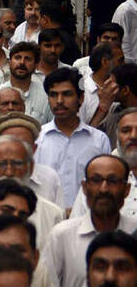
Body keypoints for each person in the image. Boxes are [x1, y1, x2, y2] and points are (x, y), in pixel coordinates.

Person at [40, 154, 137, 287]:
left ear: (126, 190)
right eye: (96, 180)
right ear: (85, 187)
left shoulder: (134, 232)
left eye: (112, 181)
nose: (104, 189)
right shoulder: (62, 235)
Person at [35, 68, 111, 205]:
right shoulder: (37, 139)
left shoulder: (99, 140)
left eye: (67, 94)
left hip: (87, 220)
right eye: (53, 95)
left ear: (81, 98)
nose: (59, 101)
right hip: (47, 220)